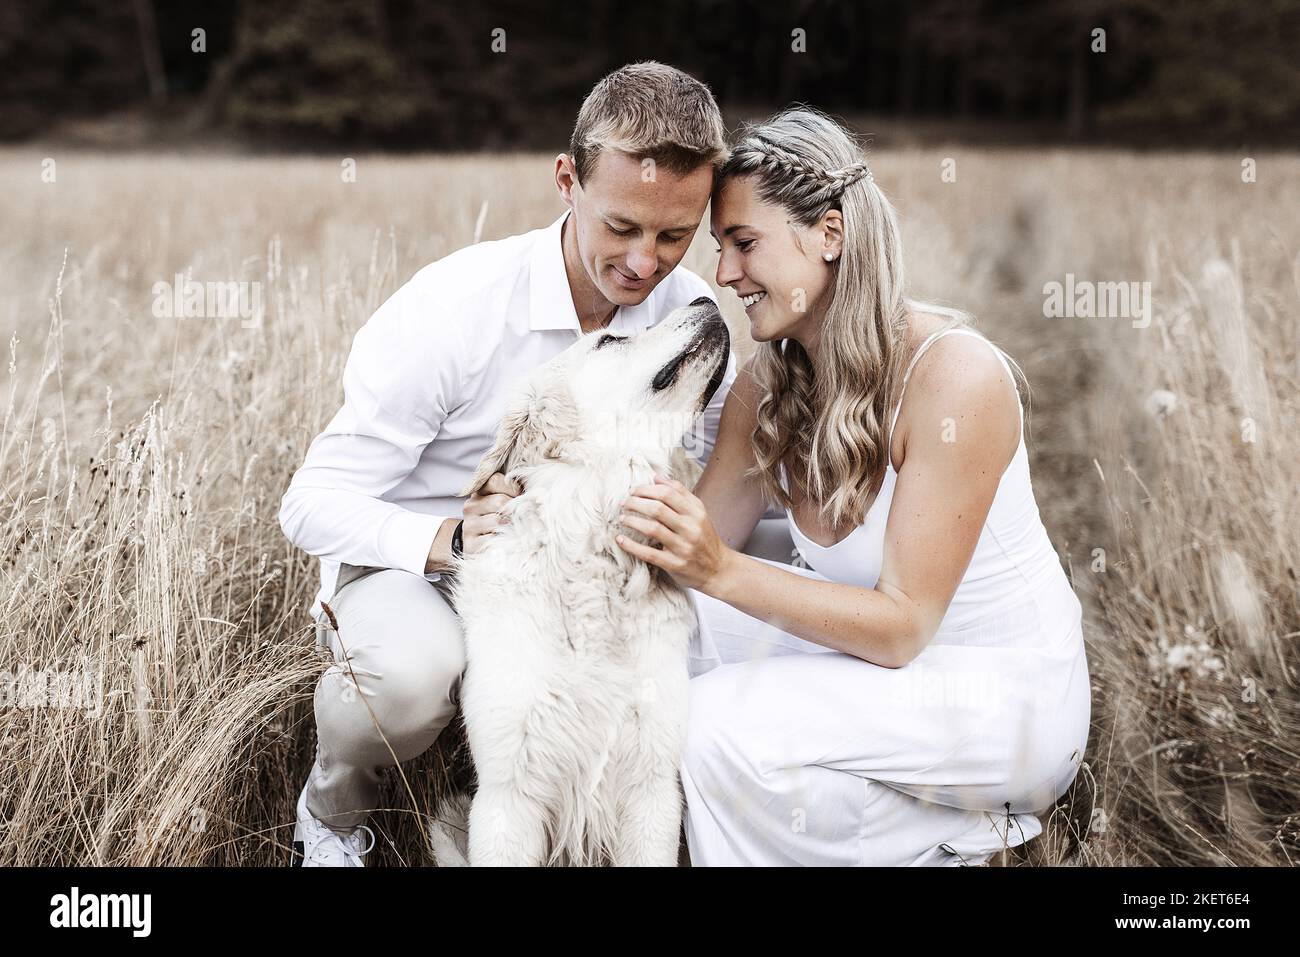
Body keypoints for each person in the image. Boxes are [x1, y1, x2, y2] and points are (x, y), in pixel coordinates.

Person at [277, 61, 738, 866]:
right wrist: (448, 538)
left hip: (587, 584)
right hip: (421, 568)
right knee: (408, 677)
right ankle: (334, 813)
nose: (644, 263)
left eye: (673, 234)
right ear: (568, 180)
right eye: (621, 227)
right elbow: (311, 502)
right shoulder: (453, 308)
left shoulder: (684, 320)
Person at [612, 107, 1092, 866]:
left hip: (1003, 699)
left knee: (710, 727)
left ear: (829, 234)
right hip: (885, 677)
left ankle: (970, 824)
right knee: (665, 632)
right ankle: (939, 838)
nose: (725, 274)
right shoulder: (765, 388)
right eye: (720, 249)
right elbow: (683, 558)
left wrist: (724, 570)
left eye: (743, 244)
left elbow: (903, 626)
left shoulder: (956, 378)